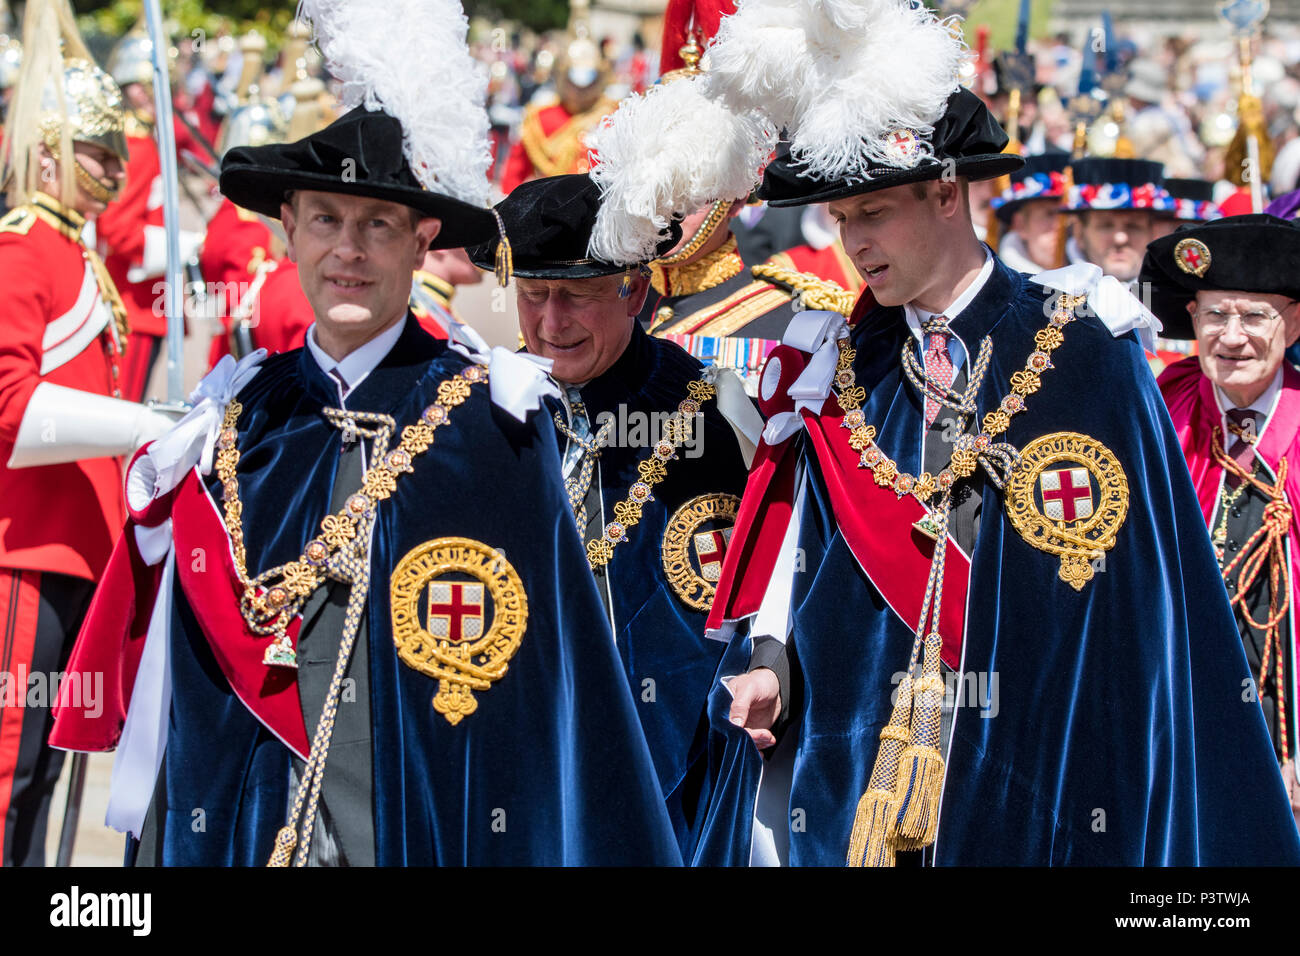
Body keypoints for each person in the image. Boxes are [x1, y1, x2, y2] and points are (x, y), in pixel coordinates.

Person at [50, 0, 680, 867]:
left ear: (422, 243)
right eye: (326, 220)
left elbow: (558, 694)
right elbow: (188, 700)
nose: (348, 251)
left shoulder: (496, 425)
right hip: (256, 821)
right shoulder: (239, 419)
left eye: (377, 225)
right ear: (288, 231)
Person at [689, 0, 1300, 865]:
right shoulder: (839, 357)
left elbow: (1154, 608)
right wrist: (771, 663)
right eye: (841, 219)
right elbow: (805, 557)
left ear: (946, 193)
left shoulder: (1087, 350)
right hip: (861, 765)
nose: (853, 243)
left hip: (1046, 767)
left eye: (872, 213)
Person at [470, 173, 758, 853]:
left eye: (576, 296)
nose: (549, 322)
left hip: (675, 778)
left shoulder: (715, 414)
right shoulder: (481, 411)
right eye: (533, 296)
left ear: (632, 288)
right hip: (518, 772)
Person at [0, 0, 174, 866]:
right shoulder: (22, 249)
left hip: (74, 553)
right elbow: (12, 409)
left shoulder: (77, 253)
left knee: (38, 777)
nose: (110, 168)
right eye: (97, 152)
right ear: (49, 152)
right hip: (24, 555)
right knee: (6, 774)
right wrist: (145, 421)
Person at [1145, 214, 1300, 829]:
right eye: (1214, 315)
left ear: (1292, 322)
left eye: (1255, 316)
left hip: (1284, 721)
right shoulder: (1159, 411)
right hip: (1180, 713)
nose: (1231, 337)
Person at [94, 22, 202, 401]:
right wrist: (178, 246)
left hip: (147, 298)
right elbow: (117, 228)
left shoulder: (146, 137)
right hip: (135, 304)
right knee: (123, 413)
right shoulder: (137, 146)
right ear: (138, 89)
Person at [1065, 157, 1173, 282]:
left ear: (1154, 234)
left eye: (1133, 226)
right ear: (1079, 233)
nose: (1120, 238)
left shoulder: (1181, 299)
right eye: (1105, 225)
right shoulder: (1050, 293)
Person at [989, 151, 1069, 276]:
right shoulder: (999, 286)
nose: (1060, 224)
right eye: (1049, 214)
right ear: (1020, 224)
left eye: (1066, 215)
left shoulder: (1095, 282)